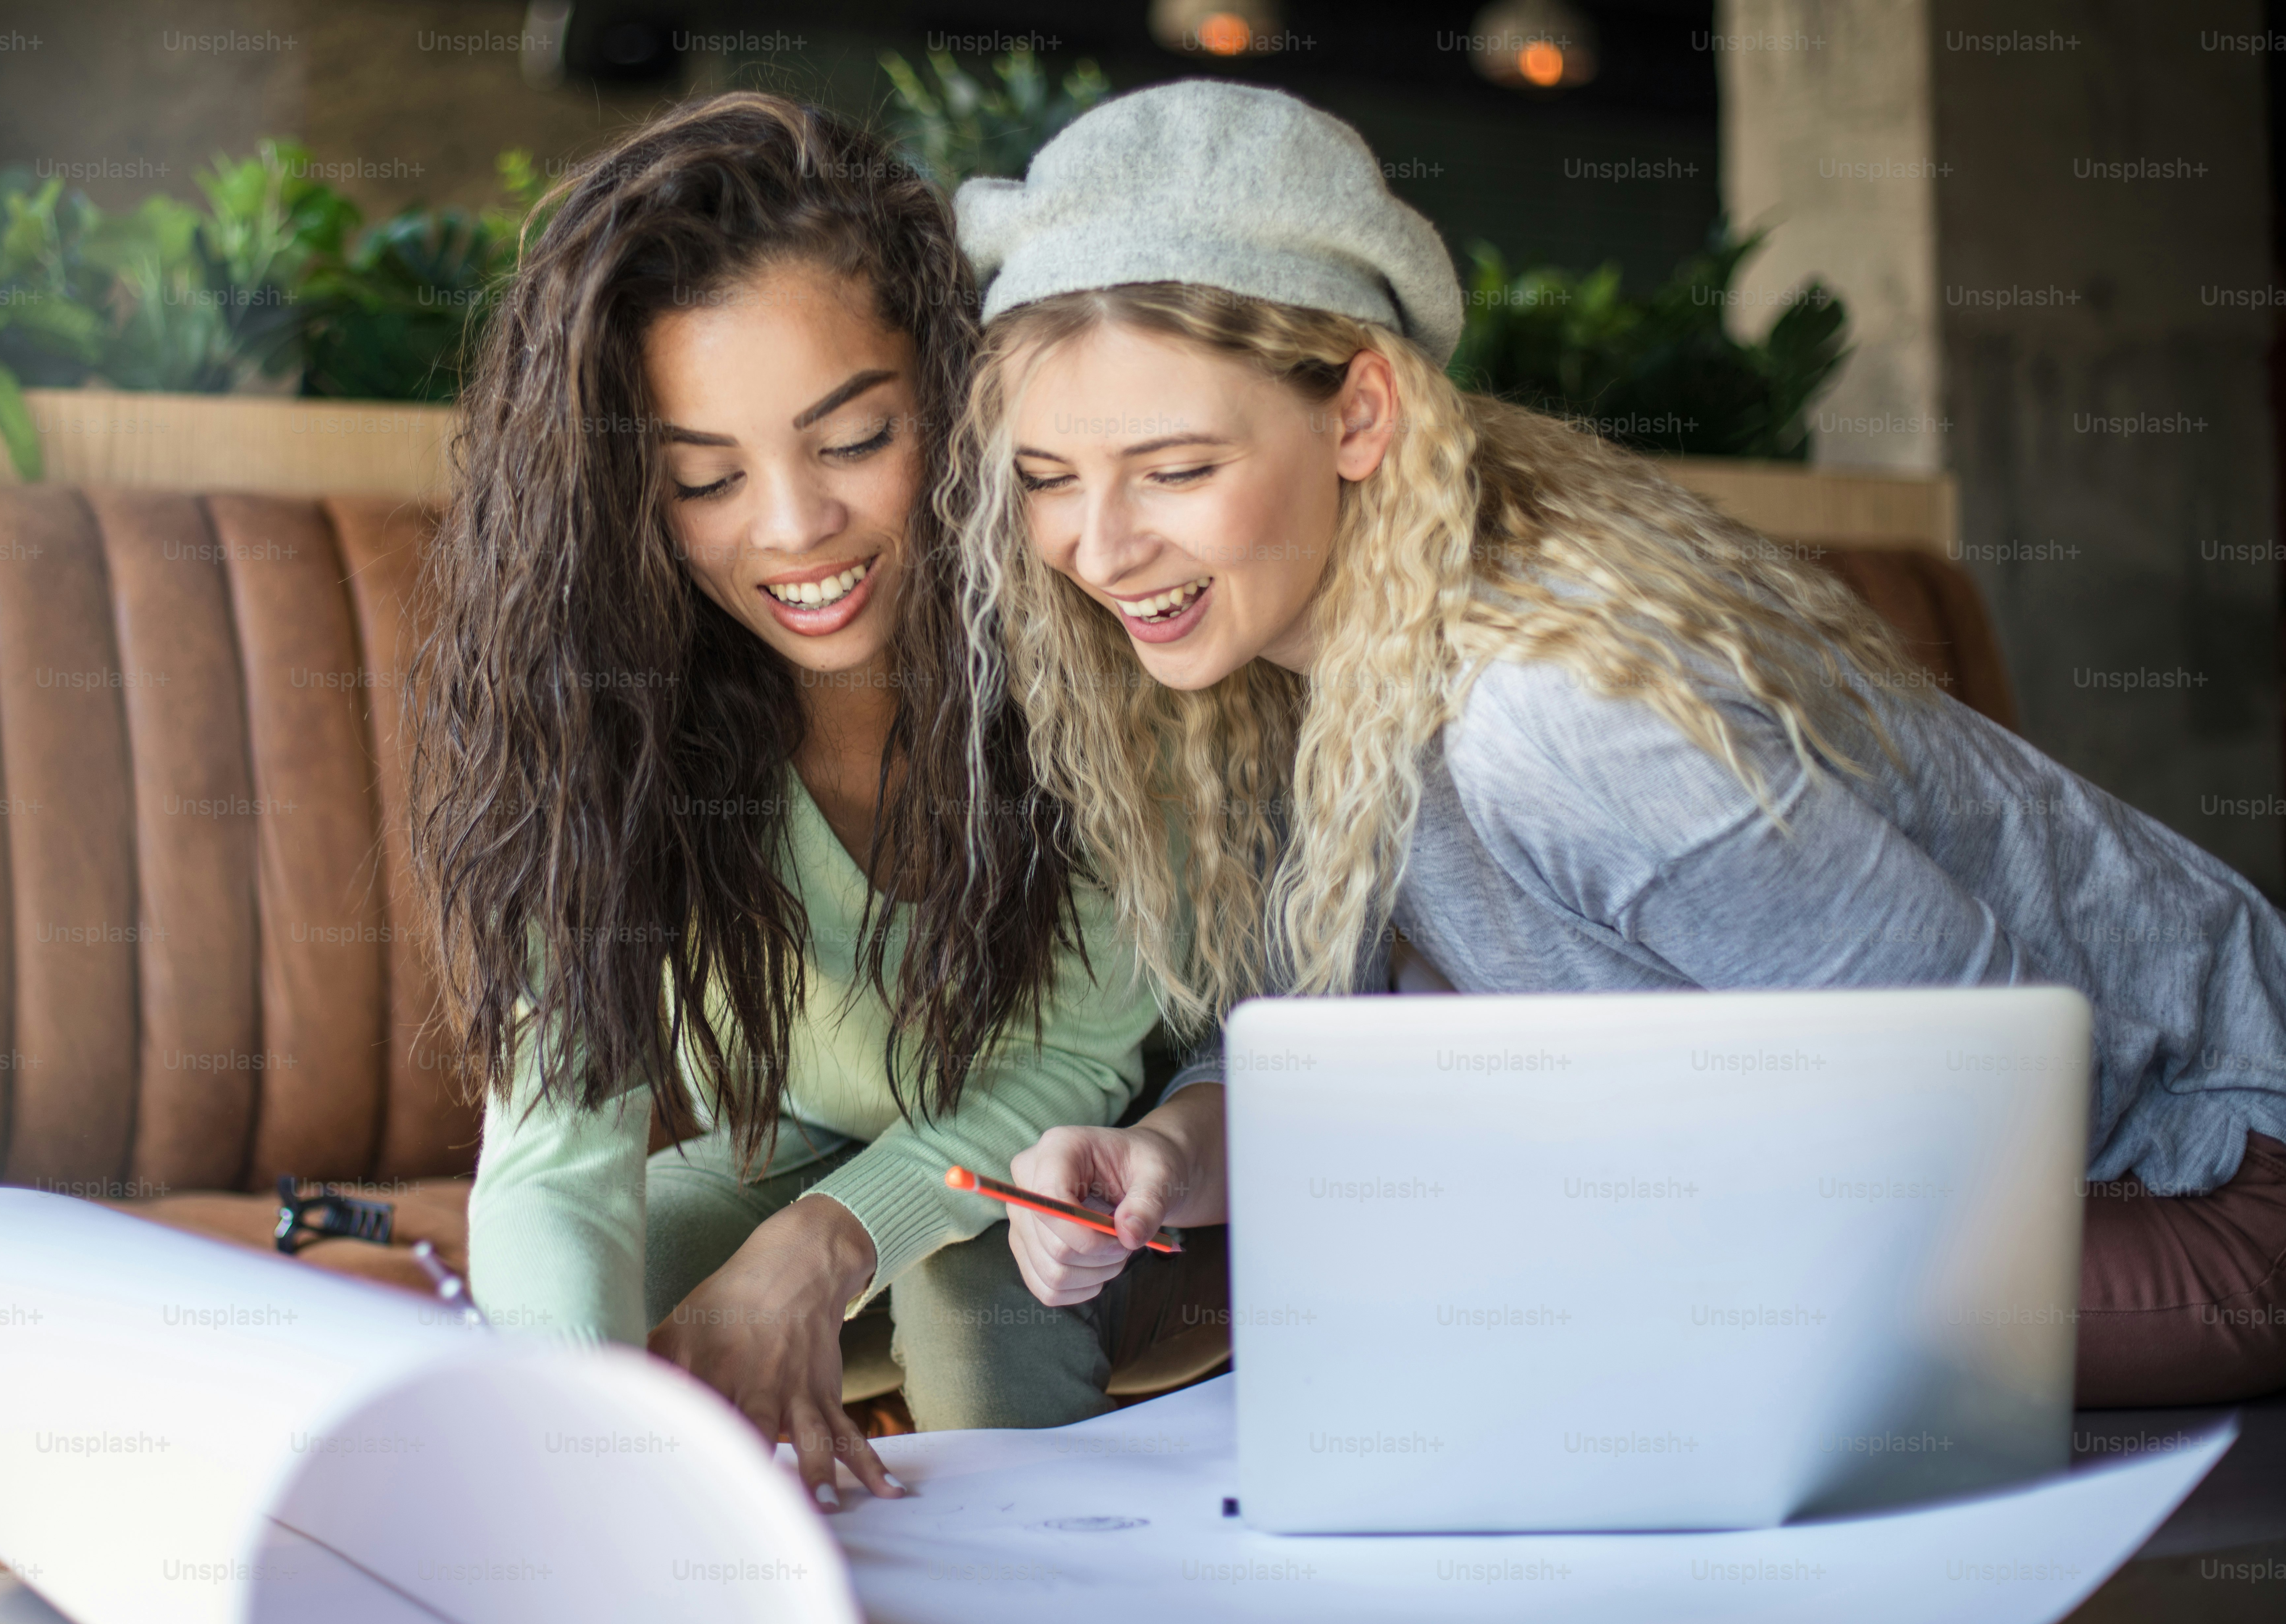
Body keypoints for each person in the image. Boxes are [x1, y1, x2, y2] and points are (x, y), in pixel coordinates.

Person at [944, 80, 2286, 1407]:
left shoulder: (1549, 713)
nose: (1100, 549)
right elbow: (1333, 1063)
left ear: (1360, 416)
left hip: (2202, 1180)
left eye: (1175, 470)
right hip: (1970, 1191)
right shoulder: (1281, 668)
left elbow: (1982, 1084)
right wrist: (1169, 1155)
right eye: (1051, 478)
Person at [409, 92, 1218, 1510]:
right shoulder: (611, 716)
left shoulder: (1085, 638)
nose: (792, 529)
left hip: (1093, 1163)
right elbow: (556, 1159)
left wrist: (820, 1248)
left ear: (957, 396)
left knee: (971, 1298)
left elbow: (1071, 1064)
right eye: (705, 478)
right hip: (807, 1141)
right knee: (567, 1335)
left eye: (852, 442)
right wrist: (576, 1483)